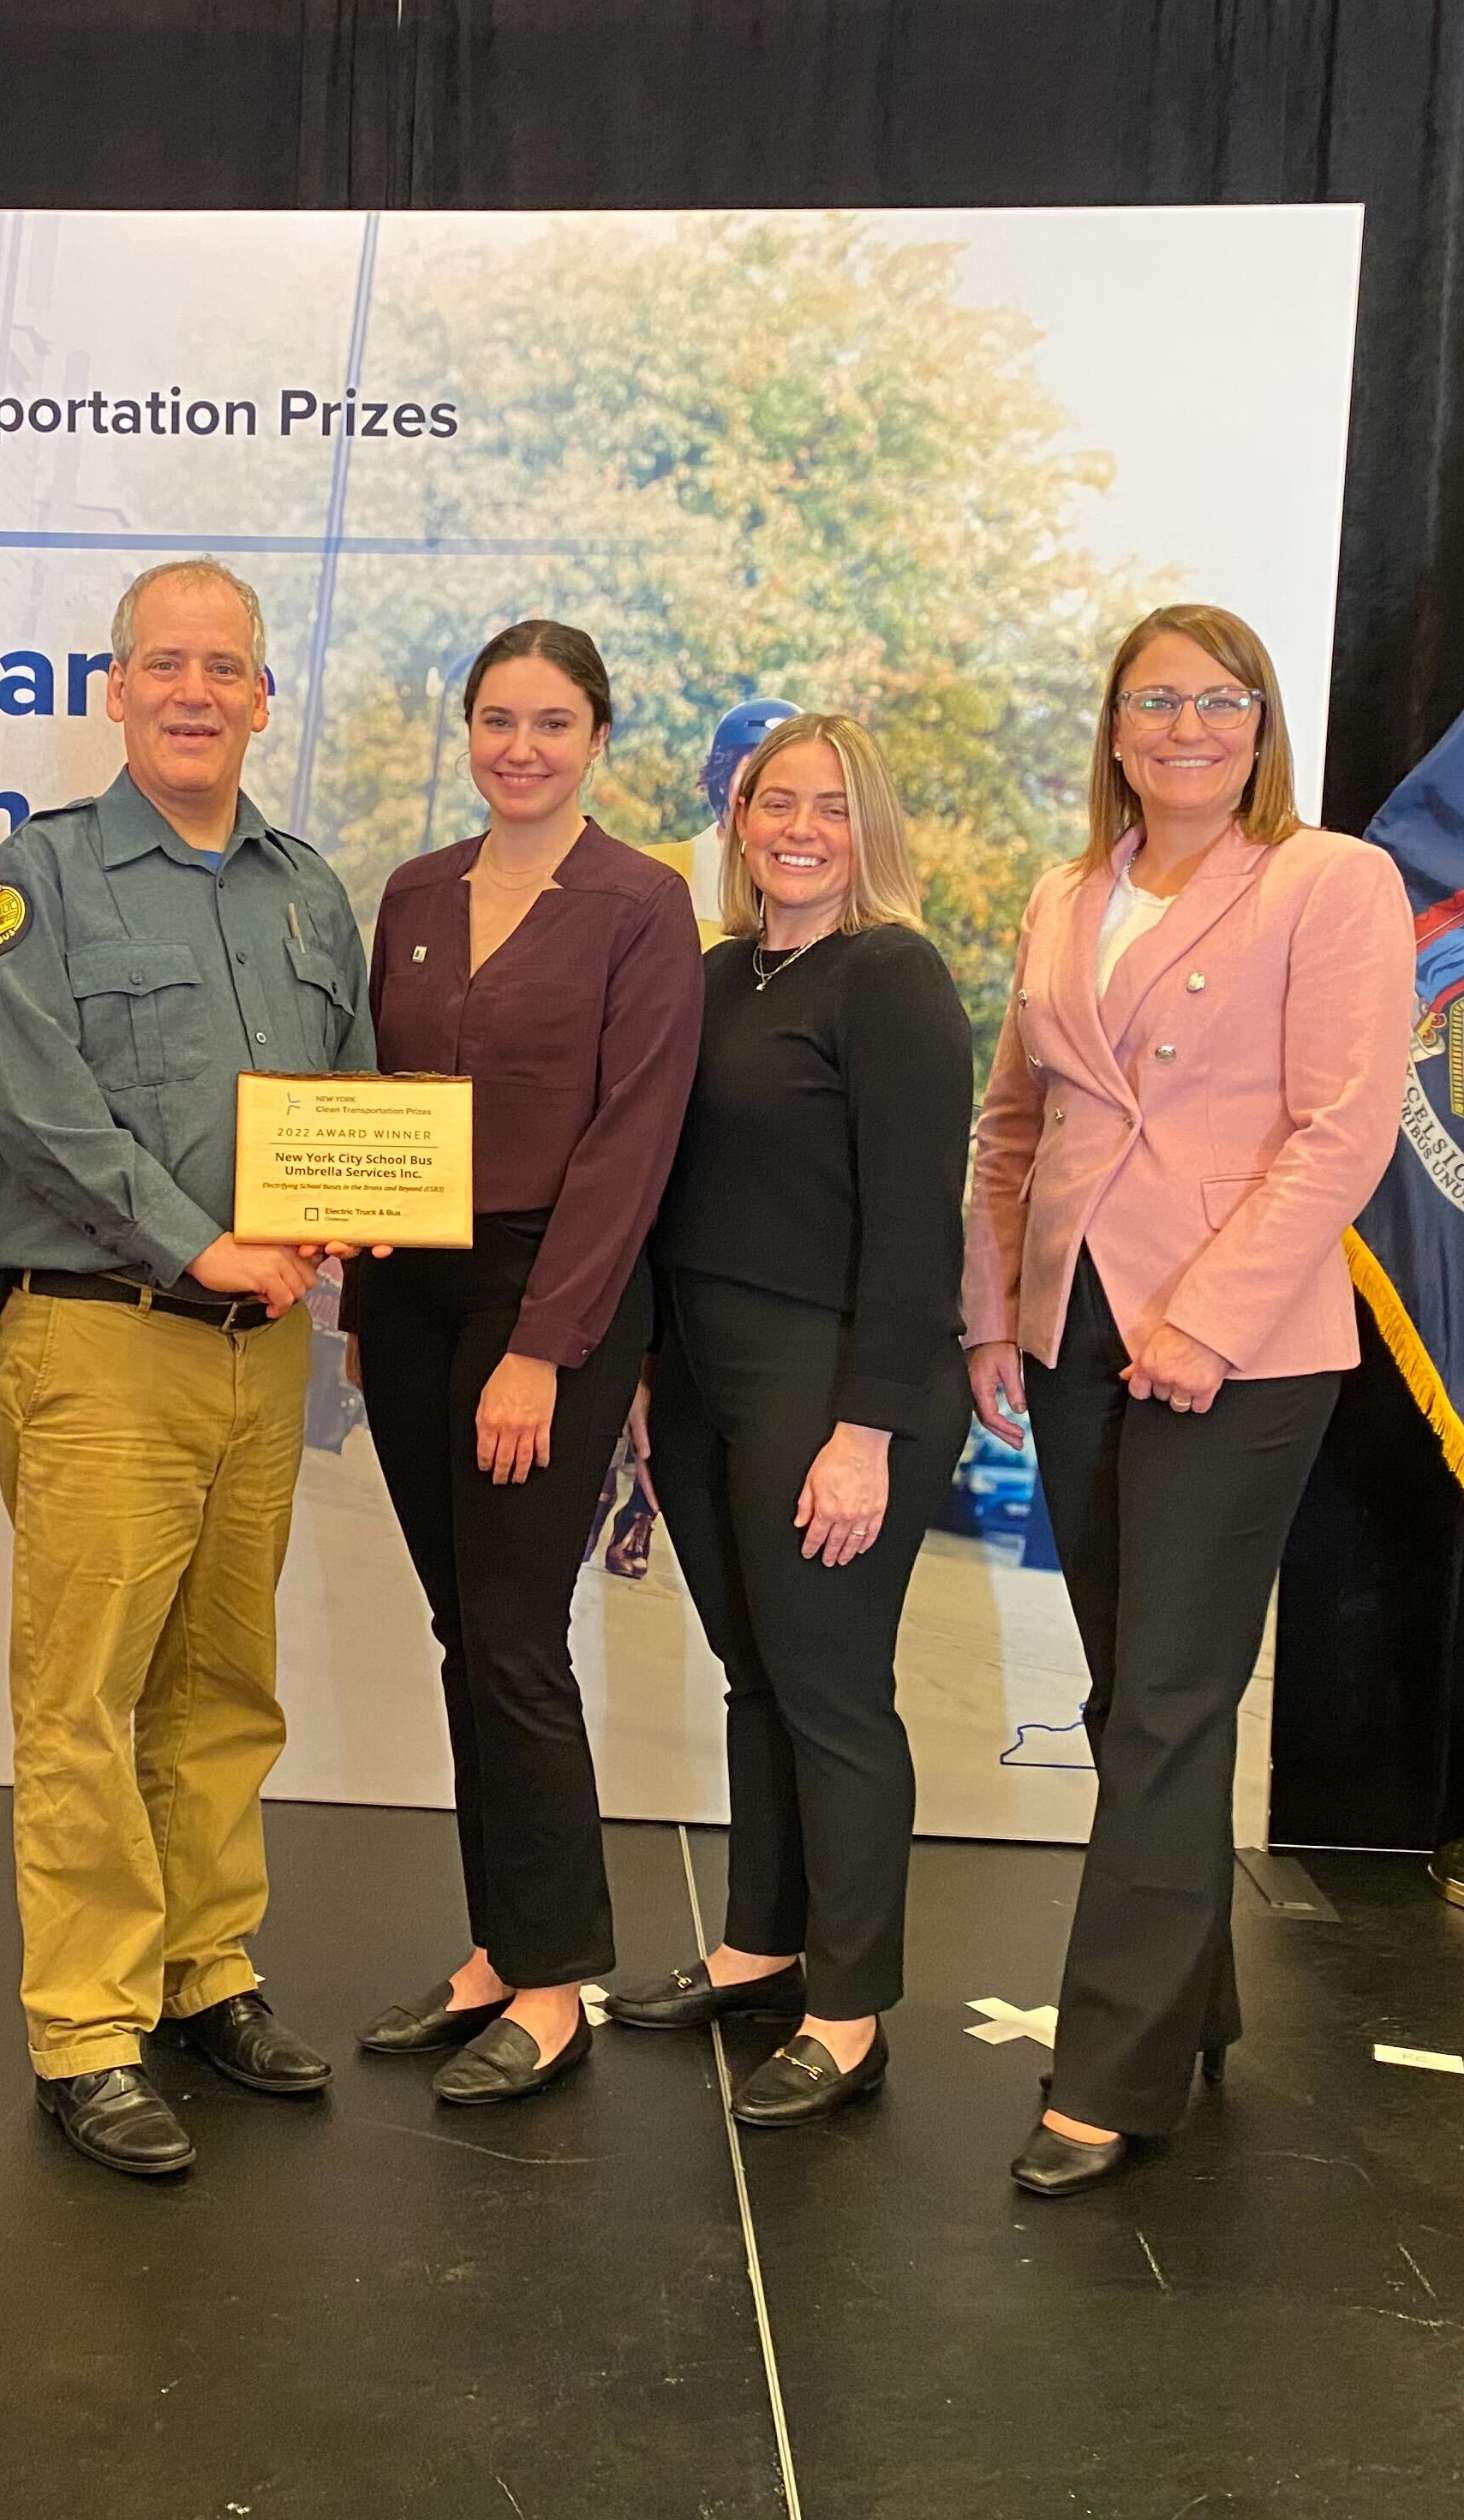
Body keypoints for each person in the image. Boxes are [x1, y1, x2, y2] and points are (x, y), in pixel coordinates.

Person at [962, 606, 1413, 2195]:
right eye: (1156, 700)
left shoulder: (1332, 882)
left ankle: (1110, 2073)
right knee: (1124, 1692)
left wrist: (1209, 1320)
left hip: (1242, 1347)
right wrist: (991, 1317)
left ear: (1261, 722)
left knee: (1165, 1697)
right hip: (1073, 1329)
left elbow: (1347, 1129)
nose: (1187, 726)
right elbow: (1010, 1125)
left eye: (1220, 700)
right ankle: (1193, 1996)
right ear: (1115, 728)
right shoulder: (1064, 891)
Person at [0, 555, 375, 2178]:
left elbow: (346, 1095)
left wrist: (354, 1212)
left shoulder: (309, 889)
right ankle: (85, 2024)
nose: (197, 692)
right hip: (101, 1338)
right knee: (84, 1700)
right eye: (166, 665)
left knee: (223, 1687)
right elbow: (38, 1105)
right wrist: (198, 1241)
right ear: (115, 691)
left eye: (227, 667)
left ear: (263, 696)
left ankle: (207, 1974)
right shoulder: (44, 874)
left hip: (261, 1359)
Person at [594, 714, 972, 2125]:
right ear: (740, 820)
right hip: (700, 1370)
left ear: (867, 826)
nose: (796, 829)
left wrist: (867, 1430)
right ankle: (762, 1945)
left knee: (831, 1695)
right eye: (772, 804)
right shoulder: (714, 973)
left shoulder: (894, 975)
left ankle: (849, 2005)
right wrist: (643, 1378)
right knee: (757, 1674)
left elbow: (917, 1234)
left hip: (831, 1384)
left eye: (827, 806)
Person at [346, 621, 702, 2106]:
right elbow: (371, 1106)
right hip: (413, 1294)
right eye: (497, 720)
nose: (520, 749)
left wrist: (544, 1351)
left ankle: (556, 1982)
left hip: (551, 1298)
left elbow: (633, 1143)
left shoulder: (643, 904)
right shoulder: (419, 892)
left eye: (553, 724)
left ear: (597, 741)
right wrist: (365, 1317)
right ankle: (497, 1949)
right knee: (462, 1634)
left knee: (512, 1634)